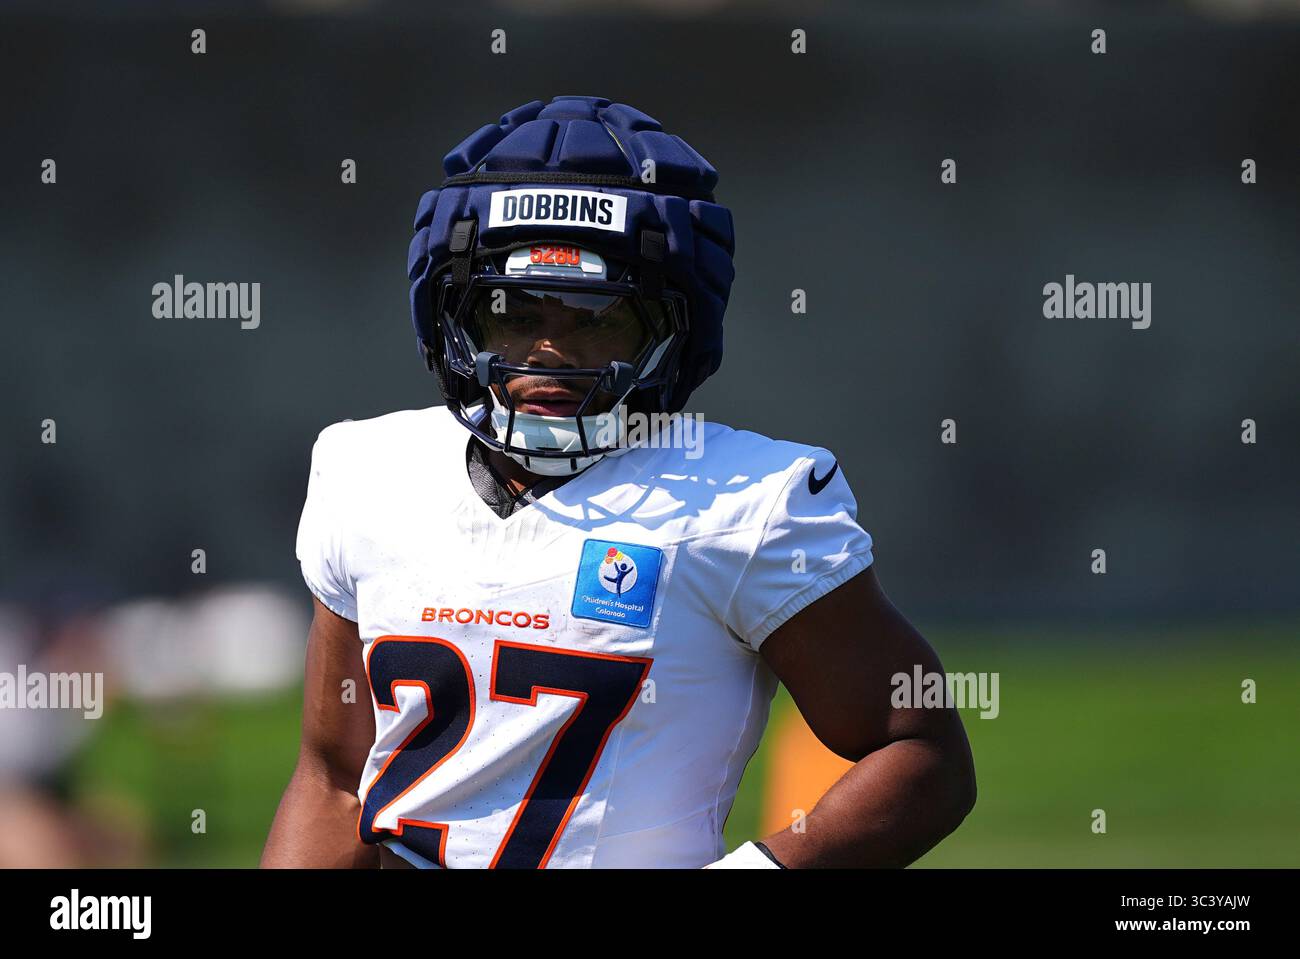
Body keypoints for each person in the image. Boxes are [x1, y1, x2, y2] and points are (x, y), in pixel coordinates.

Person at [262, 96, 975, 869]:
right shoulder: (366, 470)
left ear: (673, 328)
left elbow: (920, 751)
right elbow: (335, 780)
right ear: (452, 317)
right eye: (513, 313)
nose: (549, 352)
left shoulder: (746, 503)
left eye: (596, 318)